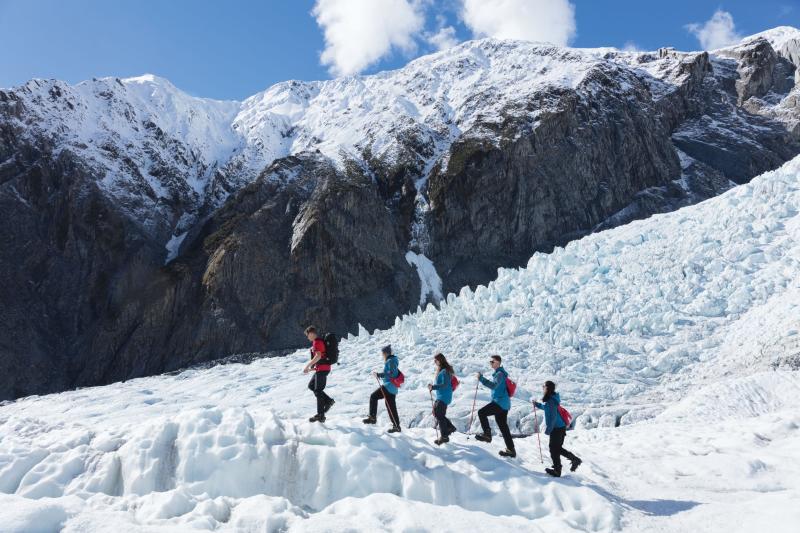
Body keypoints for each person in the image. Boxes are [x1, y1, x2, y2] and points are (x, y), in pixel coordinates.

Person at [533, 380, 582, 477]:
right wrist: (537, 405)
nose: (542, 388)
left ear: (547, 388)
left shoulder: (550, 401)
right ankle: (571, 461)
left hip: (557, 428)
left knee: (553, 448)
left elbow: (553, 417)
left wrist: (548, 430)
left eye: (543, 386)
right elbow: (547, 408)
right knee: (556, 448)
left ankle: (558, 469)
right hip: (560, 427)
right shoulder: (551, 399)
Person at [474, 355, 516, 458]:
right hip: (504, 404)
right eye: (490, 362)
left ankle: (487, 435)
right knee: (503, 427)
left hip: (500, 402)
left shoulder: (499, 374)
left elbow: (494, 386)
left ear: (497, 362)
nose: (490, 363)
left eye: (492, 362)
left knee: (481, 412)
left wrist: (481, 379)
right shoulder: (500, 374)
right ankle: (511, 450)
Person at [363, 344, 401, 433]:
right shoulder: (393, 360)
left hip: (388, 386)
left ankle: (372, 418)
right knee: (391, 407)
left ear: (386, 353)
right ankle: (396, 426)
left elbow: (392, 373)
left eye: (383, 353)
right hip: (392, 387)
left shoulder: (390, 361)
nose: (382, 355)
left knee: (373, 396)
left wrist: (379, 375)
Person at [303, 326, 334, 423]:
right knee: (311, 386)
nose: (307, 337)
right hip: (321, 369)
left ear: (311, 333)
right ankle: (328, 401)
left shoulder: (317, 342)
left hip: (323, 369)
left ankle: (321, 415)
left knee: (318, 390)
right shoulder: (317, 342)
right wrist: (313, 367)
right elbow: (320, 357)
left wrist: (308, 366)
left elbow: (318, 355)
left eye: (307, 335)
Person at [428, 353, 458, 445]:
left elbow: (445, 384)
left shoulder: (444, 371)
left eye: (436, 360)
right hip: (442, 395)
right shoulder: (443, 370)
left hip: (444, 396)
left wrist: (433, 387)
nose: (435, 362)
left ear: (440, 360)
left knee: (439, 415)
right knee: (437, 413)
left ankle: (444, 436)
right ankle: (450, 428)